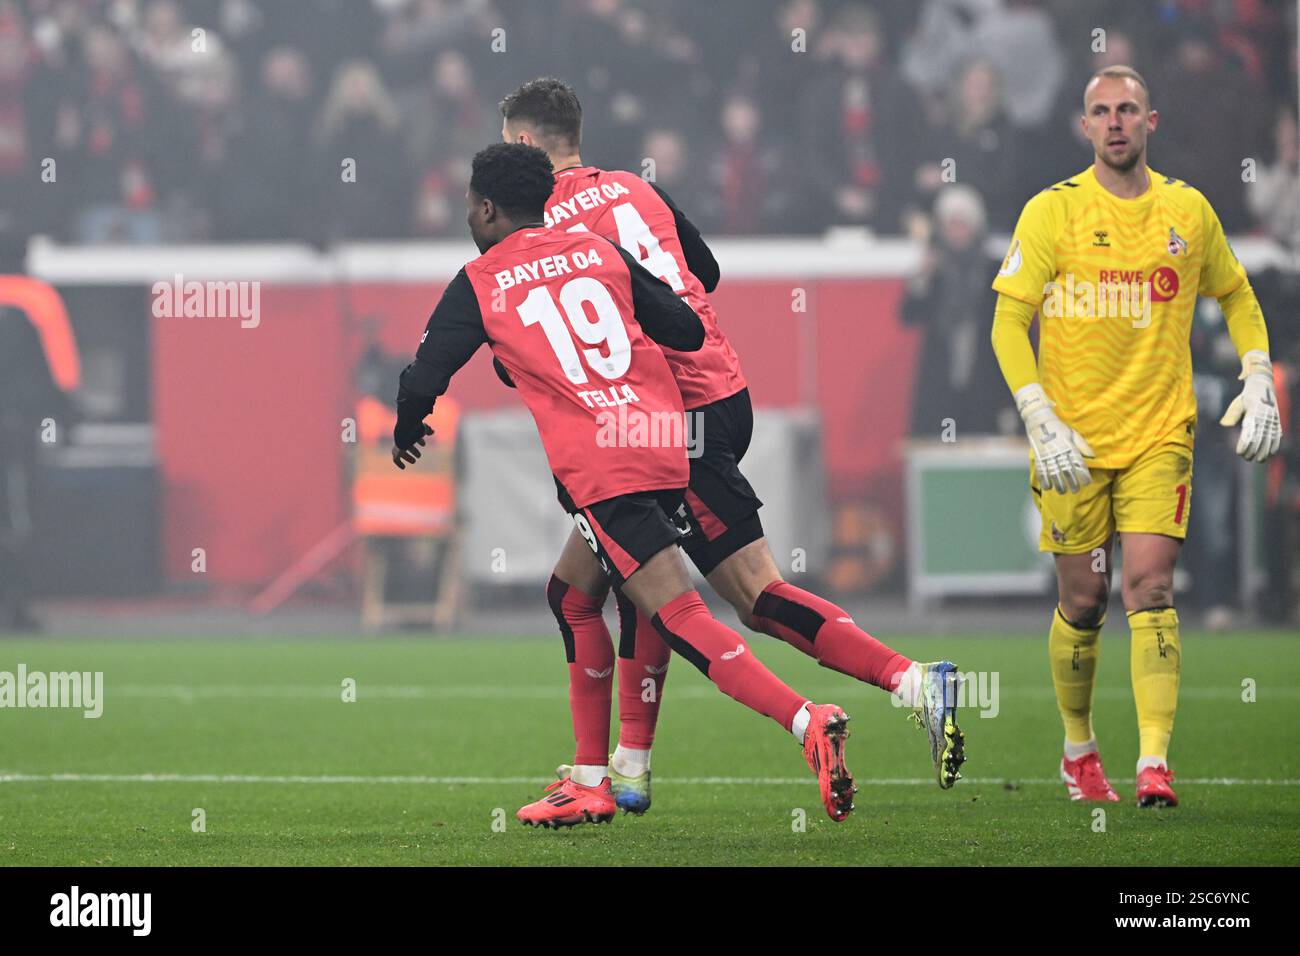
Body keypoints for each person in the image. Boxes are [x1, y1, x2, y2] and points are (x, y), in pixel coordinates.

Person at [498, 77, 965, 819]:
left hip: (666, 419)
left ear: (521, 144)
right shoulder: (631, 187)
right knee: (598, 586)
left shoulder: (541, 220)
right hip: (723, 388)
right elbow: (704, 270)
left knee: (740, 594)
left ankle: (876, 693)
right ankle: (628, 770)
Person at [391, 142, 856, 827]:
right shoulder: (598, 252)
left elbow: (422, 378)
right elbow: (687, 326)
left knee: (678, 612)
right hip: (662, 443)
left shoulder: (481, 279)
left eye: (470, 206)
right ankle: (591, 777)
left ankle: (805, 720)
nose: (468, 217)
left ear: (487, 209)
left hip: (603, 469)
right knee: (573, 596)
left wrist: (409, 428)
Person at [990, 66, 1282, 808]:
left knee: (1150, 586)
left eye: (1128, 109)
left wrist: (1256, 373)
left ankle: (1154, 762)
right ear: (1084, 127)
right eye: (1101, 111)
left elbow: (1238, 293)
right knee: (1084, 601)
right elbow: (1007, 321)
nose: (1115, 121)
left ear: (1152, 122)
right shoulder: (1051, 213)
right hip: (1073, 445)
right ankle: (1079, 750)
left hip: (1160, 433)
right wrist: (1036, 413)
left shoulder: (1187, 211)